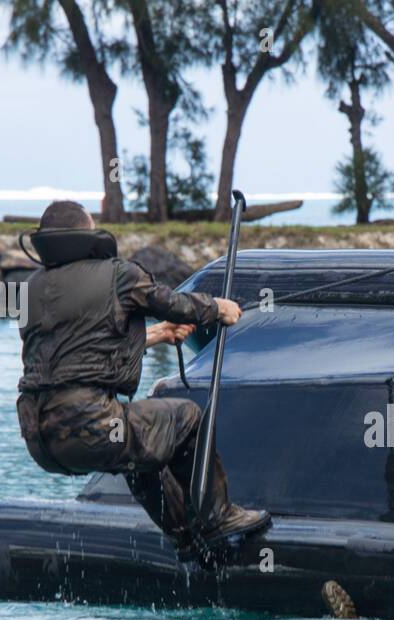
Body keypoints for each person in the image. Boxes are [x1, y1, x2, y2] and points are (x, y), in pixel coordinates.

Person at [15, 200, 269, 562]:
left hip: (40, 439)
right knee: (188, 417)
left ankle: (186, 541)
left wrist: (157, 335)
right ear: (88, 235)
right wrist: (218, 308)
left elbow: (72, 355)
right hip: (92, 425)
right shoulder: (118, 274)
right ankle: (218, 518)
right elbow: (172, 302)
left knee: (139, 454)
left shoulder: (32, 289)